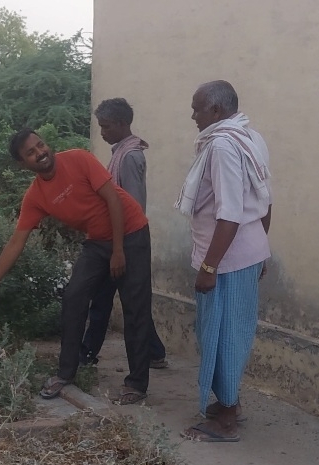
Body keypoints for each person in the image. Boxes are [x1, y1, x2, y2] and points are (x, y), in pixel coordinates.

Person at [0, 129, 153, 405]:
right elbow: (16, 242)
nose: (40, 153)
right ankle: (65, 372)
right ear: (23, 164)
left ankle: (137, 384)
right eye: (31, 153)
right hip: (97, 241)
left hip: (131, 232)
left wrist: (118, 251)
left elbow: (114, 199)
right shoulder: (36, 196)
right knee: (73, 296)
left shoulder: (79, 159)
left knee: (135, 307)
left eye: (40, 145)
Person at [177, 80, 273, 443]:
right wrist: (262, 246)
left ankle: (227, 416)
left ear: (215, 111)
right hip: (245, 251)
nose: (193, 115)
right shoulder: (250, 137)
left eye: (197, 108)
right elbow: (266, 198)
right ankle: (226, 402)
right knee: (228, 330)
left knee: (224, 334)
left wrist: (208, 267)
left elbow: (230, 213)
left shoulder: (222, 145)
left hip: (227, 259)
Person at [79, 98, 167, 369]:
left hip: (126, 241)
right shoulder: (121, 152)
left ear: (120, 124)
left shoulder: (130, 156)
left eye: (105, 127)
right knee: (120, 300)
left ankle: (86, 354)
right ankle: (154, 351)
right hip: (116, 240)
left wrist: (122, 248)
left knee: (115, 302)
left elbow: (132, 205)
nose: (102, 132)